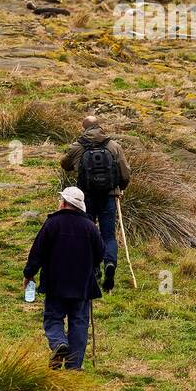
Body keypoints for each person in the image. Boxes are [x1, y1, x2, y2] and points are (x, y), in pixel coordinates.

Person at [24, 186, 103, 369]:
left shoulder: (52, 223)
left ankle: (59, 343)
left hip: (55, 283)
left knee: (53, 318)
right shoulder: (90, 226)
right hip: (82, 285)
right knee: (79, 323)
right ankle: (74, 366)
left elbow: (38, 251)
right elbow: (100, 253)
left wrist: (29, 274)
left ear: (64, 203)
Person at [60, 115, 131, 291]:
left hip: (85, 198)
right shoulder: (113, 146)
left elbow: (65, 164)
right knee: (108, 236)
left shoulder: (78, 147)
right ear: (99, 127)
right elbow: (125, 173)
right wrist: (119, 188)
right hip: (109, 197)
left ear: (84, 128)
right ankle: (110, 264)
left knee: (88, 234)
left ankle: (94, 269)